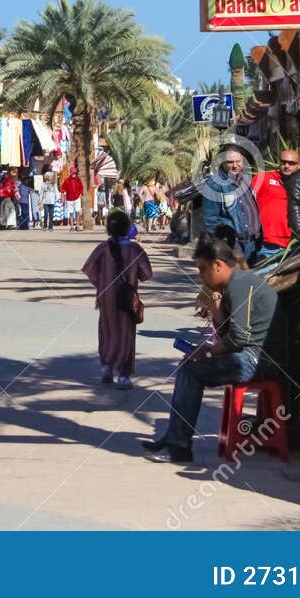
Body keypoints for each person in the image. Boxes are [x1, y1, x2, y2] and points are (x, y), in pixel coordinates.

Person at [143, 237, 278, 464]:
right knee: (188, 365)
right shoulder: (234, 284)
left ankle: (179, 446)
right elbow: (230, 334)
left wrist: (208, 352)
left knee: (191, 371)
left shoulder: (240, 285)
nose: (201, 276)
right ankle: (174, 437)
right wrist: (216, 310)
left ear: (218, 265)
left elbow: (238, 338)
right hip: (249, 355)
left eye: (202, 269)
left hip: (257, 360)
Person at [82, 210, 152, 388]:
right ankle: (123, 375)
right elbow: (146, 274)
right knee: (126, 334)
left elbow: (90, 270)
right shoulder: (135, 250)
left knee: (107, 331)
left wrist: (102, 283)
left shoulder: (102, 248)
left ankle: (106, 366)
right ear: (127, 227)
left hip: (106, 297)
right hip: (127, 299)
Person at [200, 145, 263, 261]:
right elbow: (210, 221)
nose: (235, 165)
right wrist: (226, 246)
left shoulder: (246, 180)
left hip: (253, 244)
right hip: (234, 247)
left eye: (238, 161)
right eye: (230, 162)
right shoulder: (214, 185)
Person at [251, 157, 293, 255]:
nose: (286, 166)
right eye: (283, 162)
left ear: (299, 166)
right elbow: (245, 202)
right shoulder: (264, 178)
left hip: (293, 244)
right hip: (266, 243)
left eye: (291, 163)